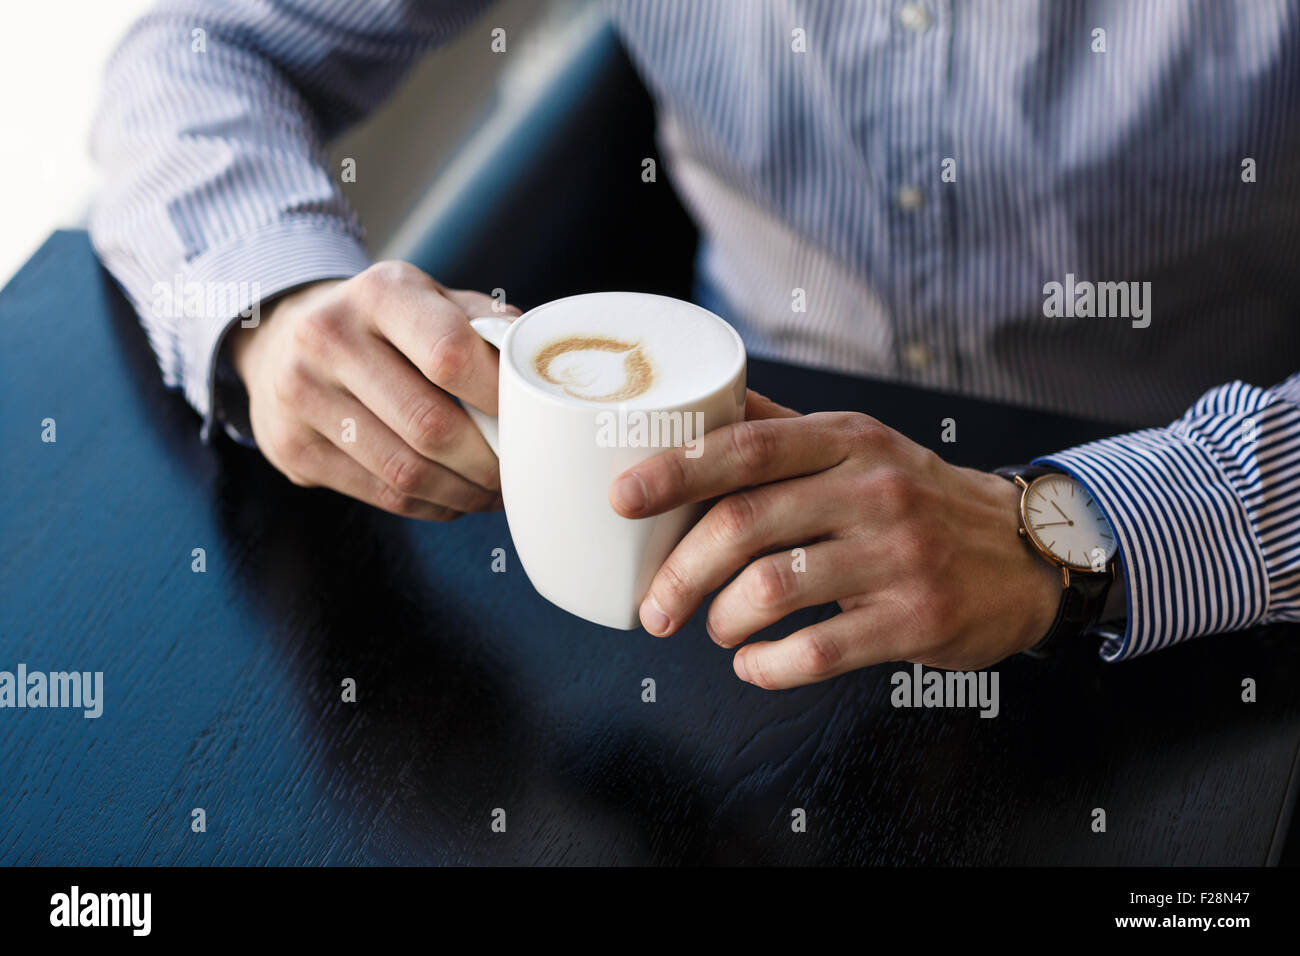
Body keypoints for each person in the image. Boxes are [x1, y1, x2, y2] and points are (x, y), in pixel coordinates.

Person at [90, 0, 1299, 689]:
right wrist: (278, 300)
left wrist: (1090, 527)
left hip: (1197, 622)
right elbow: (197, 53)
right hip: (716, 605)